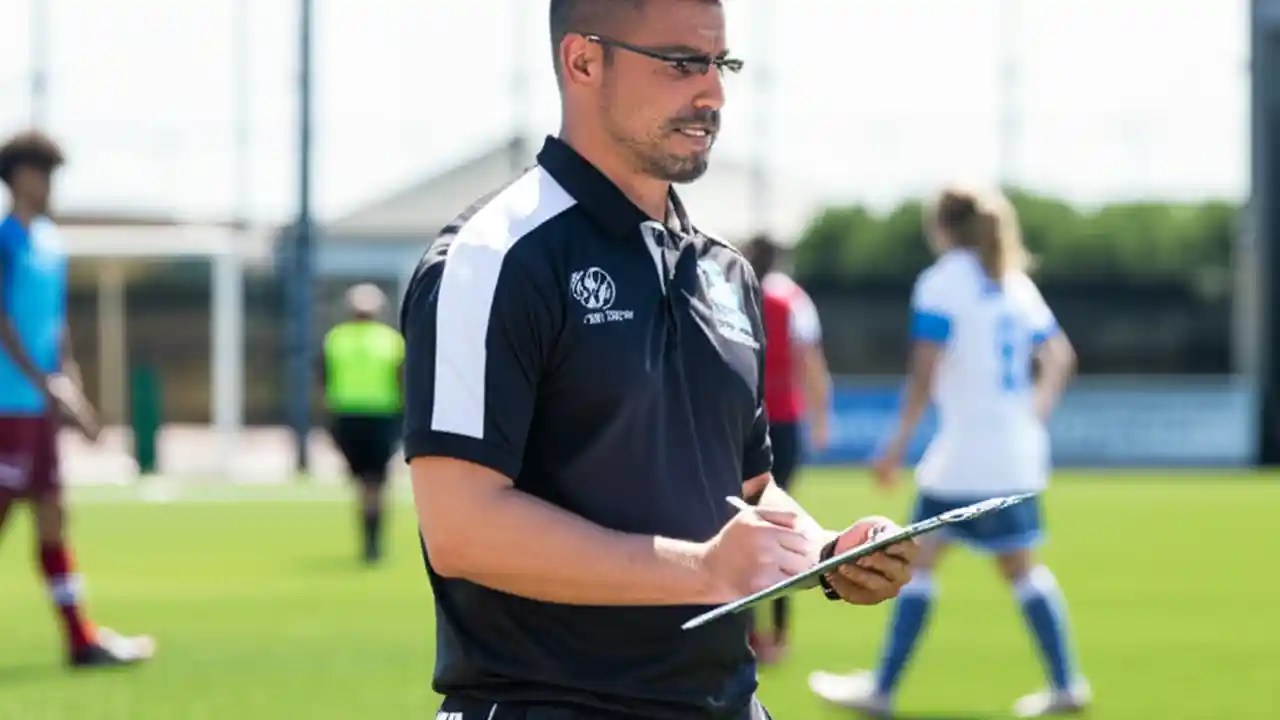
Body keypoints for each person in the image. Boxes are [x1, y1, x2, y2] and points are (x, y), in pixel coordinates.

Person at [398, 2, 920, 718]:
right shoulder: (493, 259)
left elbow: (748, 492)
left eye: (721, 63)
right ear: (583, 61)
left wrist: (829, 554)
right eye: (681, 63)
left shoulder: (725, 273)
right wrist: (701, 569)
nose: (713, 94)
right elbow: (461, 527)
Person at [807, 185, 1088, 718]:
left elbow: (923, 374)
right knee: (1020, 568)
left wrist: (894, 447)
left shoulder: (941, 283)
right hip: (1018, 454)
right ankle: (1066, 683)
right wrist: (1032, 415)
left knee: (914, 563)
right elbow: (1060, 356)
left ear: (942, 227)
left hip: (964, 456)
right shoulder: (1013, 282)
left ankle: (881, 689)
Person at [0, 130, 156, 668]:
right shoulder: (5, 241)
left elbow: (54, 326)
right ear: (20, 176)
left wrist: (75, 395)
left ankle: (79, 639)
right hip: (6, 406)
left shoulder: (49, 242)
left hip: (38, 410)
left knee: (52, 515)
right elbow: (2, 321)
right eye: (44, 173)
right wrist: (42, 382)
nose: (50, 186)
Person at [741, 234, 832, 664]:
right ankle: (778, 635)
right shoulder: (793, 299)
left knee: (736, 521)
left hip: (739, 420)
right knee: (781, 523)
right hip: (785, 421)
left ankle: (742, 630)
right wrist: (821, 417)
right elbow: (811, 363)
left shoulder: (729, 285)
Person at [322, 282, 405, 564]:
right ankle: (373, 541)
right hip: (381, 415)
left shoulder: (336, 338)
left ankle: (368, 538)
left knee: (363, 483)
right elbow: (401, 380)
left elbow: (323, 379)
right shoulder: (391, 340)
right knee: (376, 482)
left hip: (346, 416)